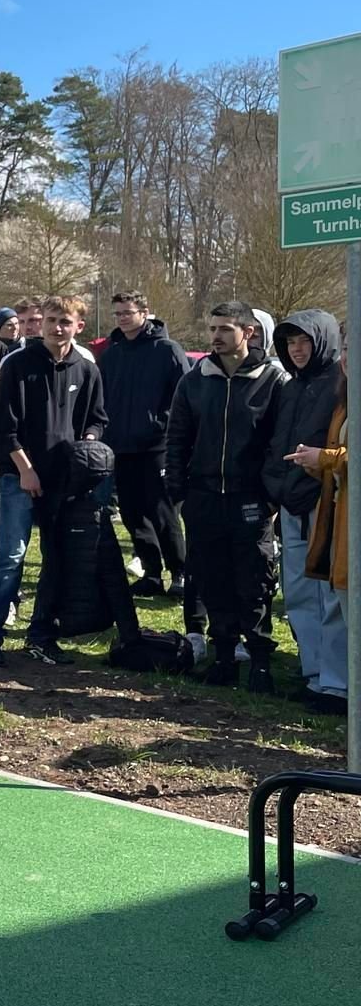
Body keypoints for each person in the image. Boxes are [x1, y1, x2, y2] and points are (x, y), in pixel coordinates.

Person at [0, 295, 107, 668]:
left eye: (65, 321)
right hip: (19, 478)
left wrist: (90, 446)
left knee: (55, 561)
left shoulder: (86, 368)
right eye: (50, 320)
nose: (56, 327)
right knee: (11, 557)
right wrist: (25, 469)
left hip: (65, 482)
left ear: (79, 325)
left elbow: (97, 420)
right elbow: (2, 426)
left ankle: (41, 637)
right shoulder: (18, 364)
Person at [168, 301, 285, 692]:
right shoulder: (195, 380)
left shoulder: (272, 380)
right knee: (211, 577)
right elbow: (178, 438)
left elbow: (280, 444)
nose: (215, 337)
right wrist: (180, 494)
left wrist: (270, 499)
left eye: (224, 329)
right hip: (202, 498)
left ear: (248, 332)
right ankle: (223, 658)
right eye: (212, 328)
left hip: (250, 499)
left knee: (254, 582)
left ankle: (261, 663)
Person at [267, 311, 346, 705]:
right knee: (298, 591)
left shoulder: (341, 383)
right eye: (290, 342)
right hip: (290, 501)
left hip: (325, 500)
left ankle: (336, 683)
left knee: (330, 595)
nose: (297, 350)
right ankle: (313, 673)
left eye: (305, 341)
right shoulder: (290, 386)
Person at [97, 292, 191, 598]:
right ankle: (151, 572)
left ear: (145, 313)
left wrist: (168, 431)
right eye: (118, 313)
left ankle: (180, 572)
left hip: (157, 446)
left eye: (128, 312)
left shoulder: (167, 350)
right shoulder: (112, 354)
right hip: (121, 447)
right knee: (133, 513)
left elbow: (185, 397)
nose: (123, 318)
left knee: (163, 512)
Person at [284, 365, 353, 714]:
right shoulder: (344, 400)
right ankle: (336, 685)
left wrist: (324, 458)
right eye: (345, 350)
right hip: (341, 514)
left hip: (350, 519)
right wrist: (315, 463)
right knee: (339, 597)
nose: (349, 358)